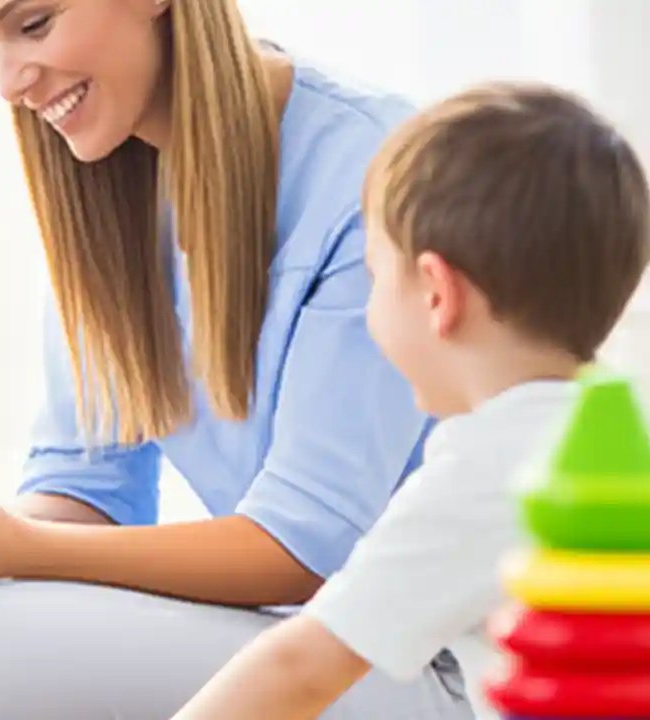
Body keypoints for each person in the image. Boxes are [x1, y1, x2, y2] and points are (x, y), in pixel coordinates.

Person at [0, 1, 472, 717]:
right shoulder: (109, 184)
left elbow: (303, 551)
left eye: (34, 25)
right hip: (273, 628)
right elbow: (88, 491)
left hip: (388, 657)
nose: (10, 83)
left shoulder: (371, 171)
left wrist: (10, 550)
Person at [172, 82, 650, 720]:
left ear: (435, 293)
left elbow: (303, 665)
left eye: (374, 276)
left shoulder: (492, 471)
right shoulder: (622, 426)